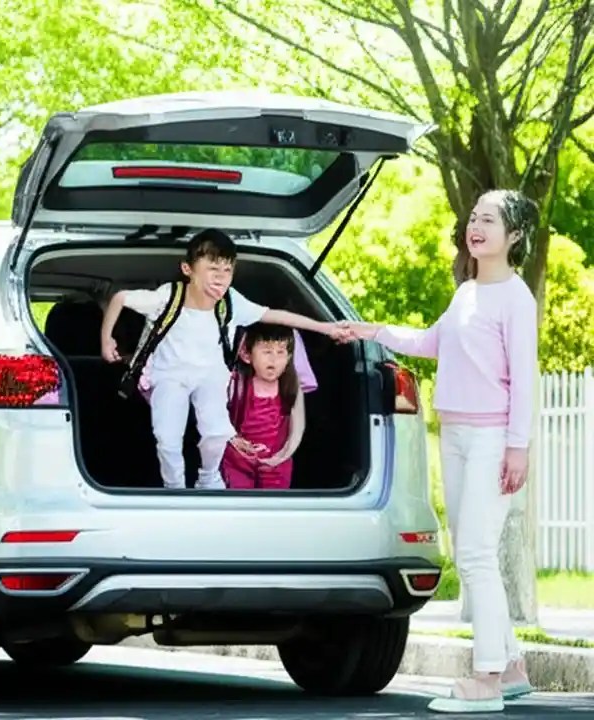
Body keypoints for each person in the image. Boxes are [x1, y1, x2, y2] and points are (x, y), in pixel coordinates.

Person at [341, 189, 540, 714]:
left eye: (489, 220)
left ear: (514, 235)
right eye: (474, 217)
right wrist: (374, 331)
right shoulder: (467, 292)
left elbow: (526, 378)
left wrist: (517, 448)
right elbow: (433, 342)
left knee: (475, 554)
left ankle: (487, 679)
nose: (476, 226)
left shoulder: (516, 298)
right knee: (470, 549)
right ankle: (512, 668)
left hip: (492, 439)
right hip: (454, 433)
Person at [99, 229, 345, 490]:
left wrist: (326, 328)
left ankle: (209, 477)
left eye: (227, 270)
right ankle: (175, 487)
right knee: (167, 438)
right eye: (212, 269)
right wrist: (106, 340)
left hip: (210, 376)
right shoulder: (167, 297)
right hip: (170, 375)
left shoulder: (230, 302)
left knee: (217, 432)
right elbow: (120, 297)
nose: (221, 277)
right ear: (187, 269)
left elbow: (276, 316)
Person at [221, 323, 304, 490]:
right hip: (237, 461)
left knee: (272, 502)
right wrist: (232, 438)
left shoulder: (291, 387)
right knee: (239, 500)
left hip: (276, 463)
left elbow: (297, 429)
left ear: (289, 358)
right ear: (247, 355)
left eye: (281, 352)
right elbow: (215, 413)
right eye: (267, 351)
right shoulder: (236, 384)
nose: (274, 359)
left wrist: (281, 457)